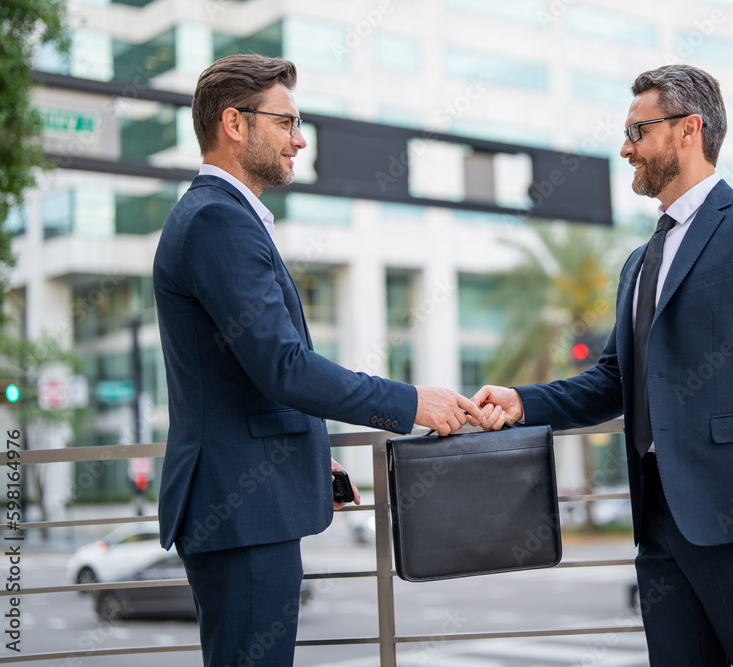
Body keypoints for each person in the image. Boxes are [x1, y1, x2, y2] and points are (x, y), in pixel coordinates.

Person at [474, 64, 733, 666]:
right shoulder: (639, 262)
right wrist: (521, 402)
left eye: (637, 132)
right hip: (658, 521)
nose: (626, 149)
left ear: (688, 129)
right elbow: (614, 382)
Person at [152, 54, 485, 667]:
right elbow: (283, 365)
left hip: (246, 502)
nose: (298, 139)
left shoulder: (221, 217)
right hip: (241, 511)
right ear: (234, 123)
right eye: (285, 122)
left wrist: (305, 451)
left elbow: (247, 373)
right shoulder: (219, 220)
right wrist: (411, 402)